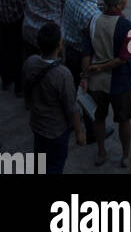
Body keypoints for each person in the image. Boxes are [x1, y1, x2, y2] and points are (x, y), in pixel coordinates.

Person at [81, 0, 131, 168]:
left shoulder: (92, 21)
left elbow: (86, 52)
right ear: (121, 3)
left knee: (98, 117)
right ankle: (126, 154)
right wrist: (102, 67)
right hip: (120, 81)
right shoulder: (129, 26)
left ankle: (101, 152)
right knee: (124, 119)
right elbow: (125, 58)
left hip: (96, 82)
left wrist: (85, 75)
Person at [22, 21, 86, 175]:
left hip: (37, 123)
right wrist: (79, 132)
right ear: (59, 45)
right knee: (55, 166)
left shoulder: (30, 62)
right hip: (56, 130)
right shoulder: (62, 75)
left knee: (39, 162)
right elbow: (72, 107)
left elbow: (26, 90)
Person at [60, 0, 102, 88]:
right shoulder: (93, 14)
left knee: (71, 82)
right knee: (81, 88)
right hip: (81, 56)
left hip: (68, 49)